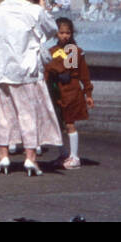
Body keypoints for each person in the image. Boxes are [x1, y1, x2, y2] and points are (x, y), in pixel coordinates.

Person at [0, 0, 62, 176]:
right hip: (26, 69)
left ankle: (3, 157)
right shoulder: (33, 10)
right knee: (28, 114)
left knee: (1, 115)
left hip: (0, 69)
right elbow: (53, 29)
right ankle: (30, 158)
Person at [46, 17, 92, 170]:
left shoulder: (73, 50)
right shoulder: (52, 51)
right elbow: (47, 71)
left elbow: (80, 73)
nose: (64, 35)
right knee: (59, 123)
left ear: (72, 33)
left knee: (70, 123)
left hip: (71, 90)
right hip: (57, 91)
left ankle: (74, 156)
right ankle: (64, 153)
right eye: (61, 33)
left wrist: (88, 92)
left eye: (67, 32)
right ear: (56, 34)